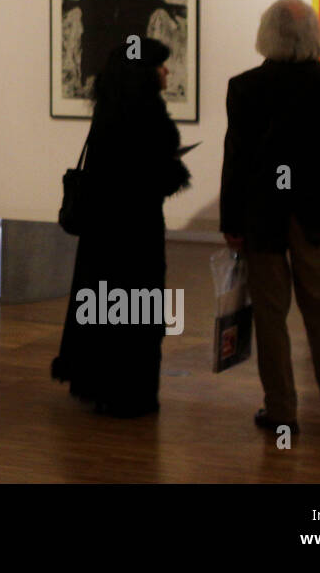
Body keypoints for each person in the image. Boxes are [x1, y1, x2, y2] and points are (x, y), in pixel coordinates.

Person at [220, 0, 320, 436]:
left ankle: (282, 410)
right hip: (316, 216)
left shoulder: (245, 87)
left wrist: (232, 220)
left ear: (267, 35)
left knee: (270, 316)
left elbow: (236, 162)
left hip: (262, 216)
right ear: (315, 36)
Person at [52, 37, 190, 417]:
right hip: (137, 231)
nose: (166, 71)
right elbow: (160, 176)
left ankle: (99, 385)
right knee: (136, 311)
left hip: (103, 230)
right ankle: (130, 393)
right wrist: (176, 168)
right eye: (160, 65)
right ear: (144, 71)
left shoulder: (109, 109)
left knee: (103, 305)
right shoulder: (149, 113)